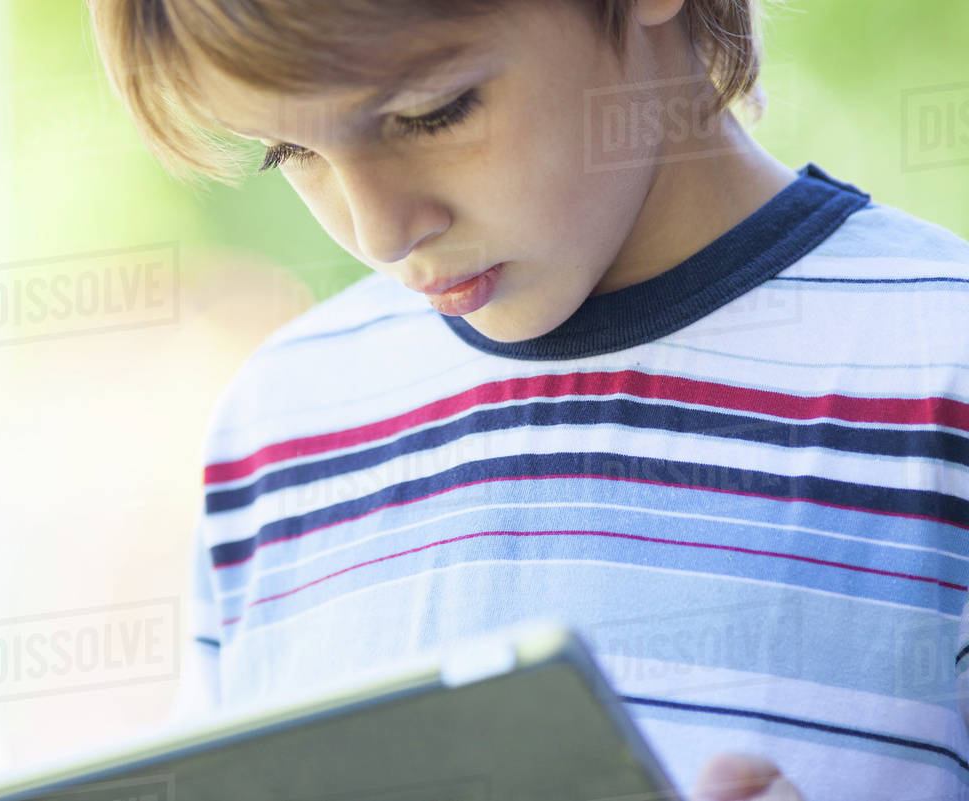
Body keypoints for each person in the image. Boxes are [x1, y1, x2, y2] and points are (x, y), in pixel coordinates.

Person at [87, 0, 969, 798]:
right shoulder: (277, 426)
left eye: (432, 112)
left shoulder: (941, 367)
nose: (379, 230)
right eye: (292, 152)